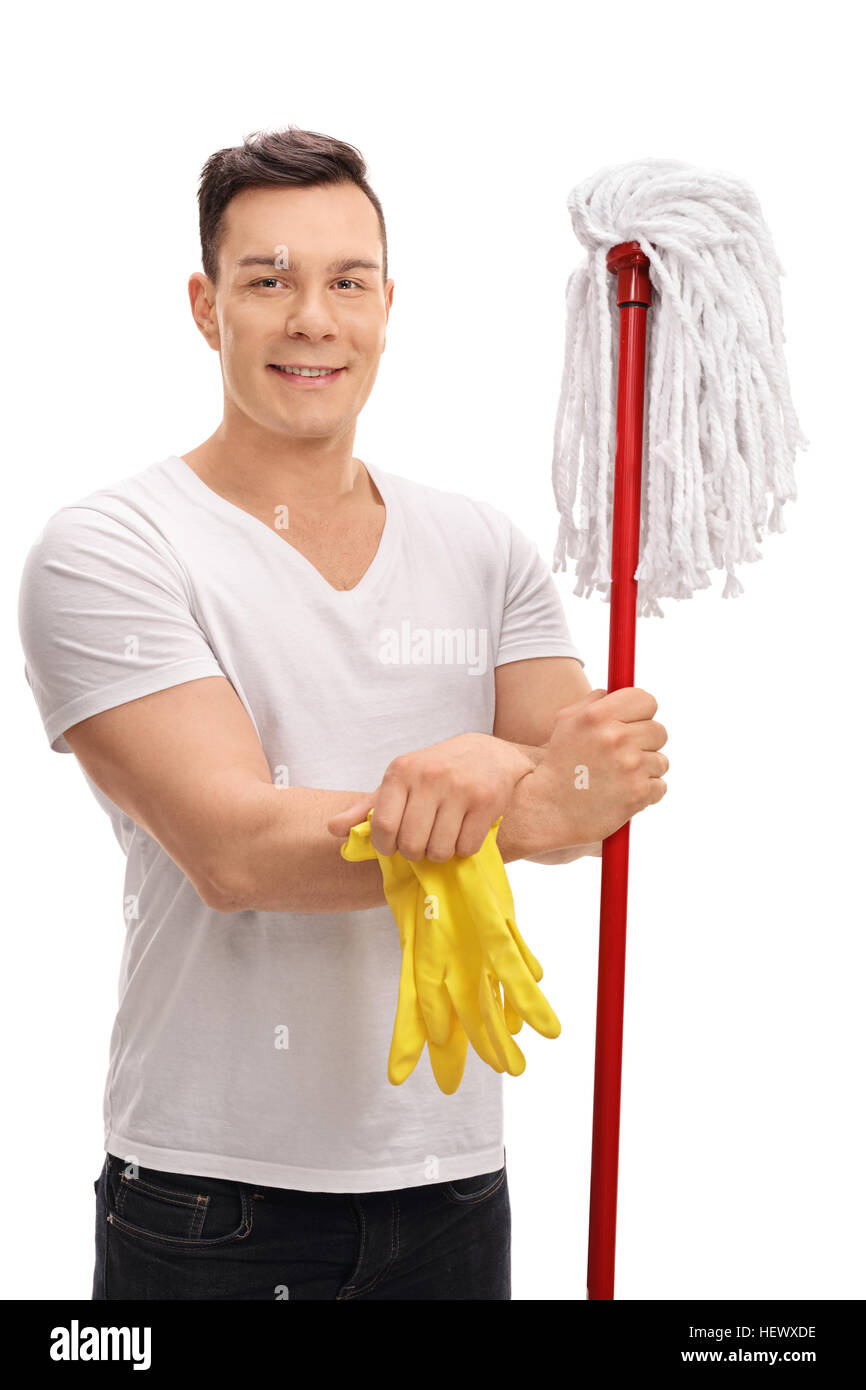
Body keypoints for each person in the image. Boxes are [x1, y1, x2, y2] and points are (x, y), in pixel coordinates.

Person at [17, 126, 669, 1301]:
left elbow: (591, 807)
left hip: (456, 1184)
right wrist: (517, 787)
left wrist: (513, 775)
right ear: (206, 307)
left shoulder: (481, 545)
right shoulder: (109, 548)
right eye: (267, 280)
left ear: (384, 305)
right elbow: (233, 846)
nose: (312, 318)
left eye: (345, 281)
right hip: (211, 1200)